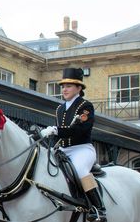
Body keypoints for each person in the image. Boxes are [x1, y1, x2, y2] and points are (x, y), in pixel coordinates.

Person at [39, 67, 106, 222]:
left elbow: (80, 130)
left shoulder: (85, 106)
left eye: (68, 86)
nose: (64, 89)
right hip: (63, 150)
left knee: (81, 170)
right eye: (63, 86)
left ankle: (99, 209)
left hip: (82, 149)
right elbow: (59, 134)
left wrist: (56, 130)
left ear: (79, 88)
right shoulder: (60, 109)